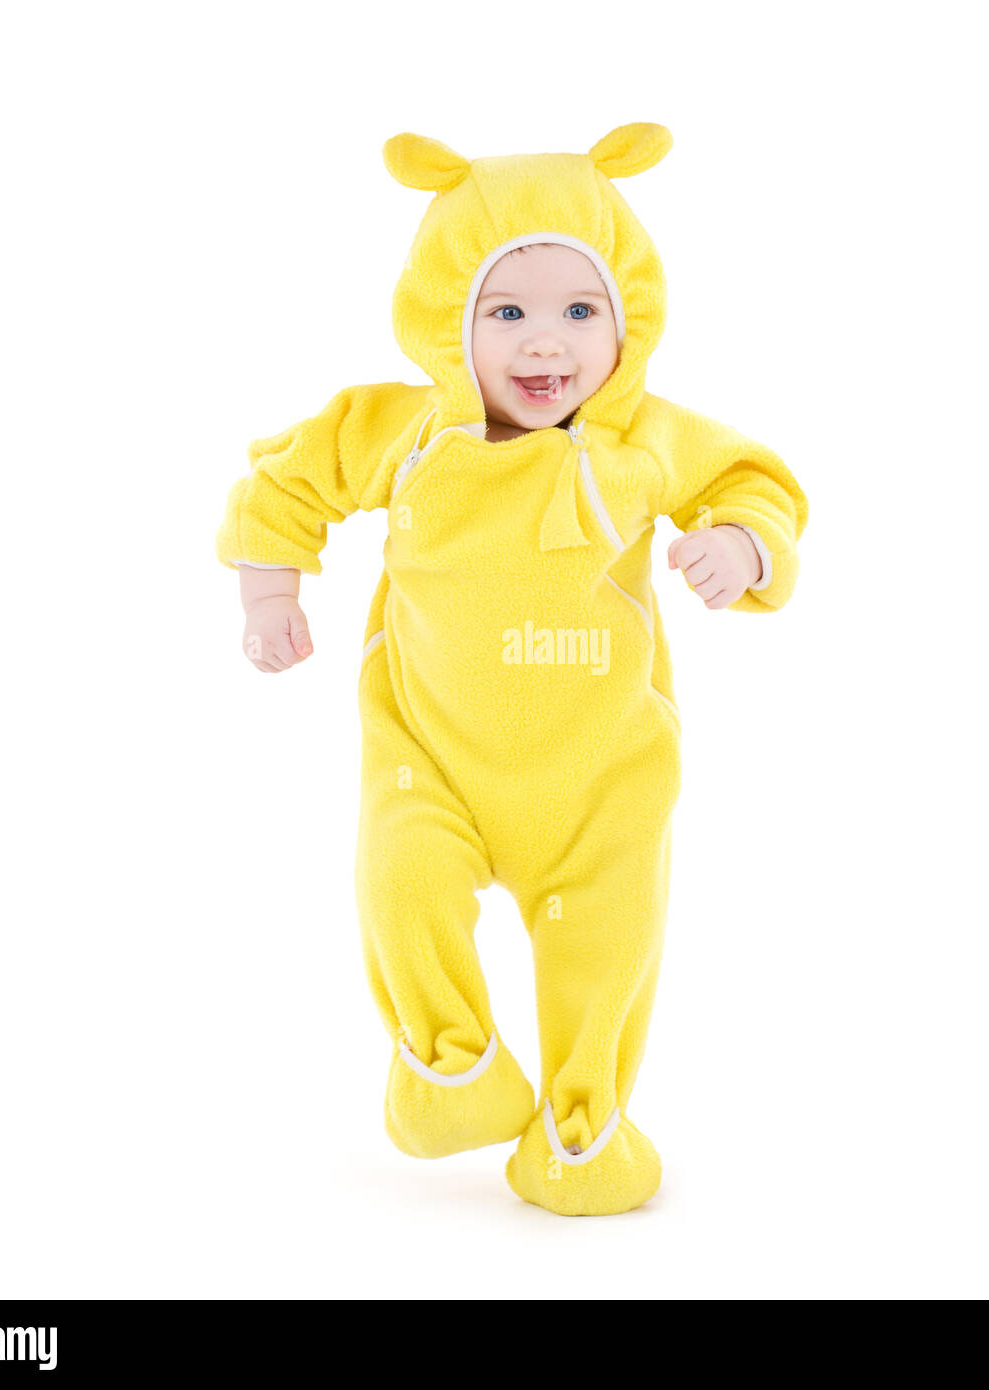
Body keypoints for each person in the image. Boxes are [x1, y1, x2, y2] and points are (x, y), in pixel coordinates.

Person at [215, 122, 809, 1215]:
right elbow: (285, 483)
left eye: (581, 312)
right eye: (508, 312)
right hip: (431, 759)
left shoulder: (643, 439)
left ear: (628, 318)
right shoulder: (404, 432)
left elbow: (754, 479)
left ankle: (586, 1131)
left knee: (609, 947)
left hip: (602, 778)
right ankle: (451, 1070)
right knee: (401, 885)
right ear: (450, 320)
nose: (546, 345)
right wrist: (269, 596)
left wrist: (740, 545)